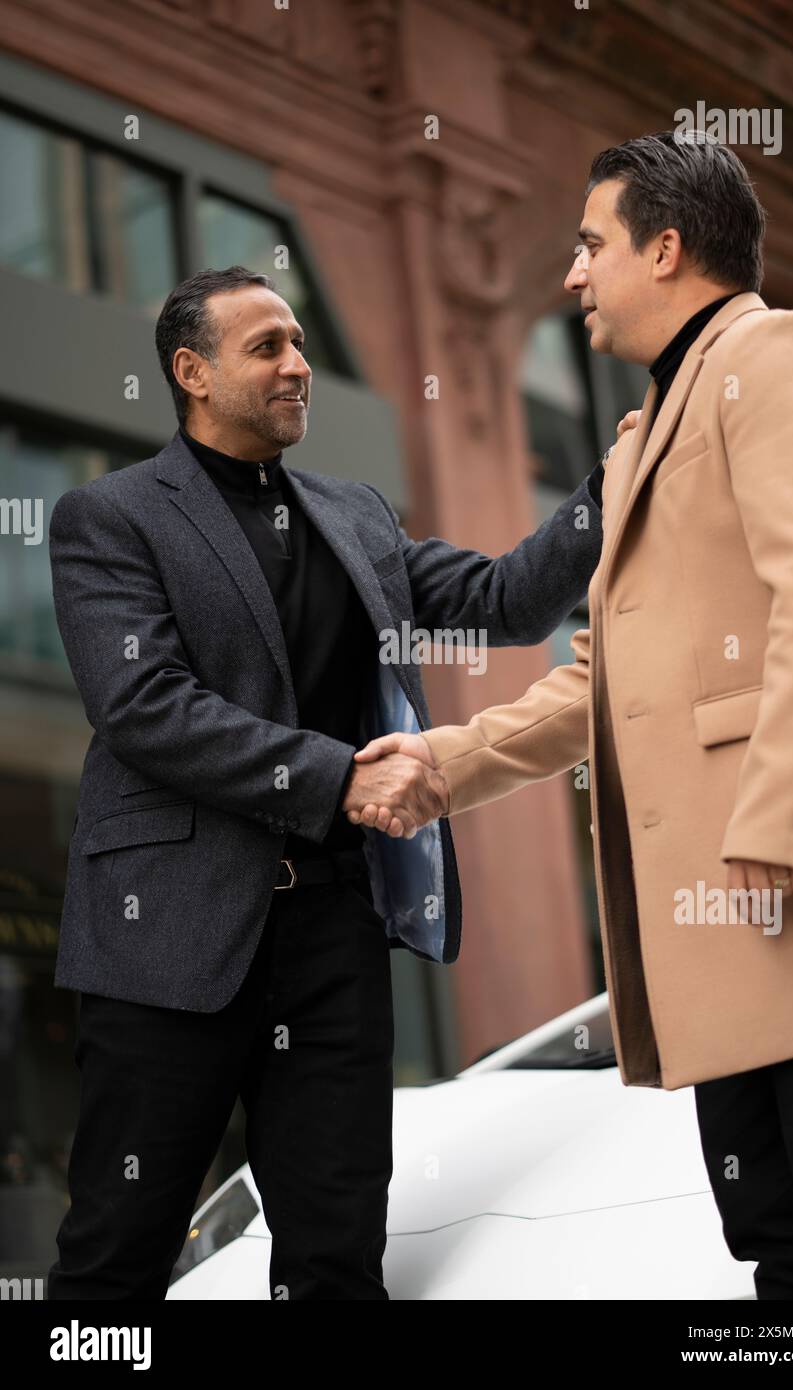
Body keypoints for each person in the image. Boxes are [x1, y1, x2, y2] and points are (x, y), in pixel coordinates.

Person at [45, 263, 635, 1300]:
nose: (297, 366)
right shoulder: (112, 518)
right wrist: (335, 779)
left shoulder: (352, 514)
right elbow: (143, 706)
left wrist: (607, 494)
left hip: (332, 934)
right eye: (266, 347)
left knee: (334, 1246)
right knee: (116, 1250)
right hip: (168, 937)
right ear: (190, 371)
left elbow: (503, 601)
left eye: (301, 344)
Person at [348, 132, 793, 1301]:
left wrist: (781, 820)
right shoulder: (642, 434)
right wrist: (444, 758)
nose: (571, 273)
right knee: (779, 1247)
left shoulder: (772, 354)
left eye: (590, 245)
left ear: (666, 248)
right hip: (724, 940)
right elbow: (599, 677)